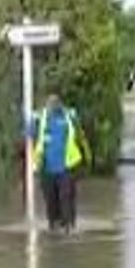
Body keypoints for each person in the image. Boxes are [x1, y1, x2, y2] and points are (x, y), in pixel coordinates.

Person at [29, 93, 89, 232]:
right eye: (50, 104)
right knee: (51, 201)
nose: (53, 106)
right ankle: (54, 226)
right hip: (46, 168)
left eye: (55, 103)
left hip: (67, 167)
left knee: (66, 198)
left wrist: (84, 161)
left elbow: (80, 137)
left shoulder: (70, 117)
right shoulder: (40, 118)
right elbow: (30, 136)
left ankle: (68, 226)